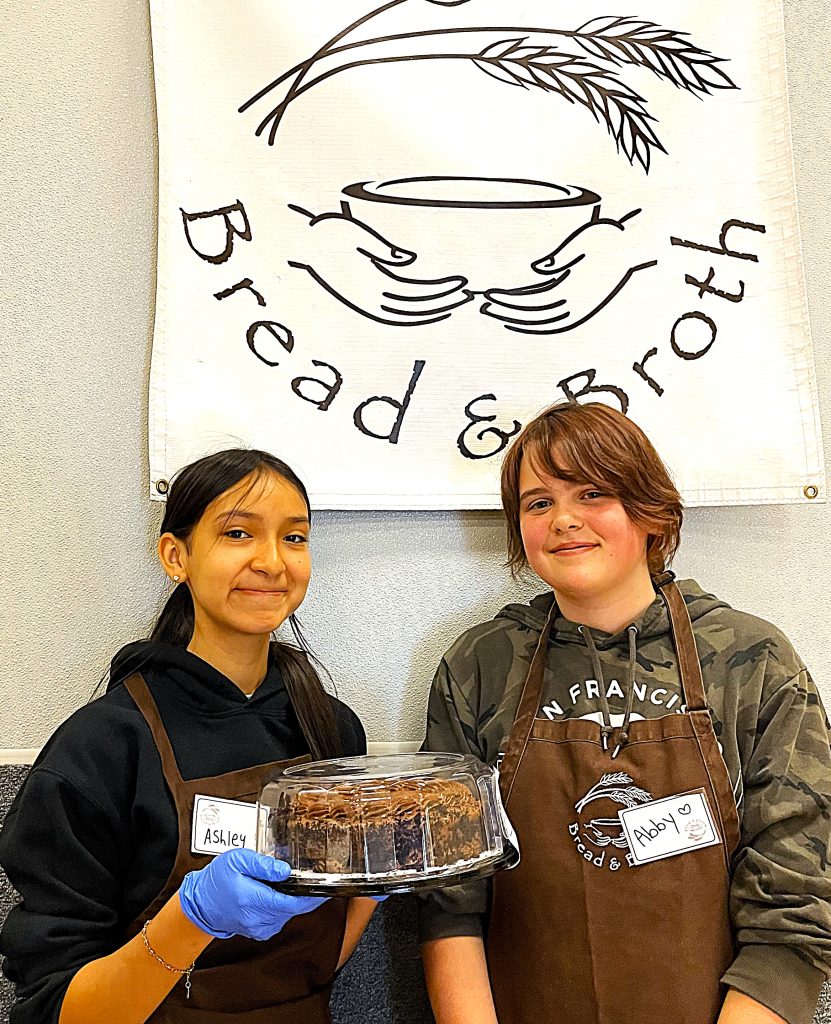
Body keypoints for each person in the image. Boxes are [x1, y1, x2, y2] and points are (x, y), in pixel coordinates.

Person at [419, 401, 831, 1024]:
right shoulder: (481, 665)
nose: (563, 520)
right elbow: (448, 897)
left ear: (650, 512)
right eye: (537, 503)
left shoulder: (750, 660)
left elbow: (798, 900)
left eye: (592, 493)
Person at [0, 449, 379, 1024]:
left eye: (294, 538)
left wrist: (375, 888)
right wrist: (192, 919)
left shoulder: (334, 729)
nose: (273, 561)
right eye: (237, 533)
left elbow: (317, 962)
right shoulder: (102, 747)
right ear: (176, 556)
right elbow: (56, 1008)